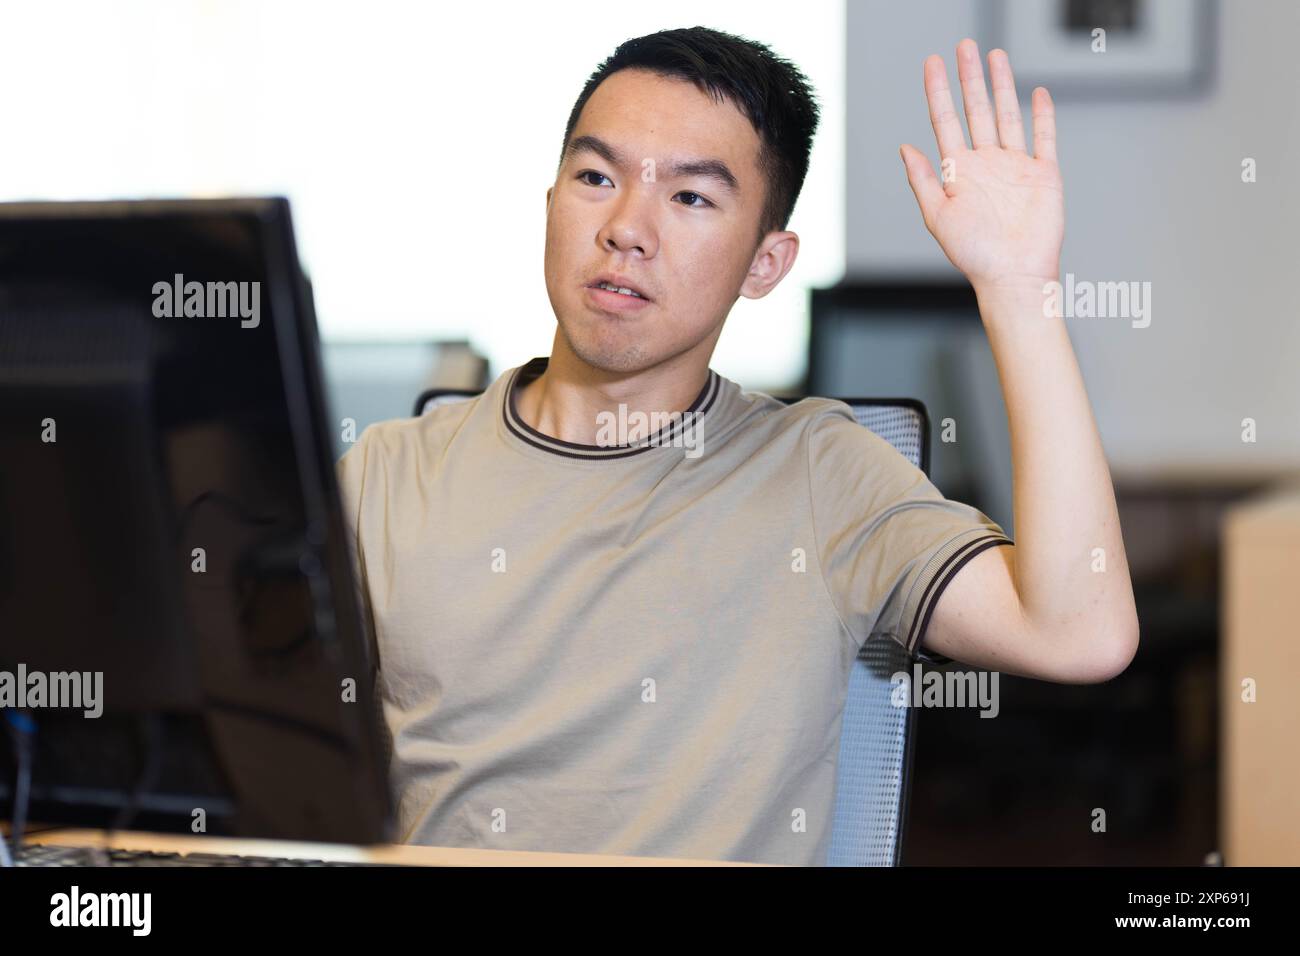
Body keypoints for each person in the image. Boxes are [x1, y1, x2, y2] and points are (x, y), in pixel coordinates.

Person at [338, 26, 1138, 866]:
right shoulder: (384, 476)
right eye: (596, 177)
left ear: (765, 263)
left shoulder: (821, 474)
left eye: (689, 198)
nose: (626, 228)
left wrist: (1018, 291)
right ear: (549, 205)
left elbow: (1078, 633)